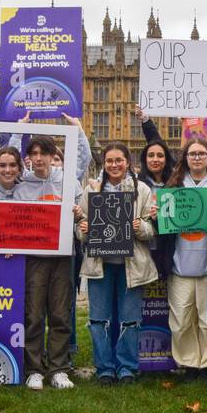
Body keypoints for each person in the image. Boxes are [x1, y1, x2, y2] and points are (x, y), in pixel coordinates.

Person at [74, 142, 159, 385]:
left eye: (118, 160)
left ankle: (126, 368)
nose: (114, 165)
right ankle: (104, 368)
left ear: (127, 162)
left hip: (132, 265)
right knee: (99, 320)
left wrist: (138, 227)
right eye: (109, 161)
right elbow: (81, 229)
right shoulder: (90, 192)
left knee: (129, 320)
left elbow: (151, 230)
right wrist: (84, 229)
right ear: (104, 163)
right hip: (100, 265)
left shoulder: (142, 190)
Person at [18, 121, 92, 391]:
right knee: (34, 313)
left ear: (52, 155)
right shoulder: (22, 181)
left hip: (63, 254)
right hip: (35, 256)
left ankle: (59, 368)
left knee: (61, 313)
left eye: (43, 153)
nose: (38, 159)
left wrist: (78, 216)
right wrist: (17, 128)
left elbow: (82, 218)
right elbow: (5, 157)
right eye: (33, 153)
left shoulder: (67, 180)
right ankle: (34, 368)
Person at [158, 136, 207, 379]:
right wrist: (157, 215)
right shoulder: (174, 186)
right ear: (185, 158)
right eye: (193, 154)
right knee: (180, 320)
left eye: (202, 153)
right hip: (180, 264)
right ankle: (189, 363)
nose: (197, 157)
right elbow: (163, 224)